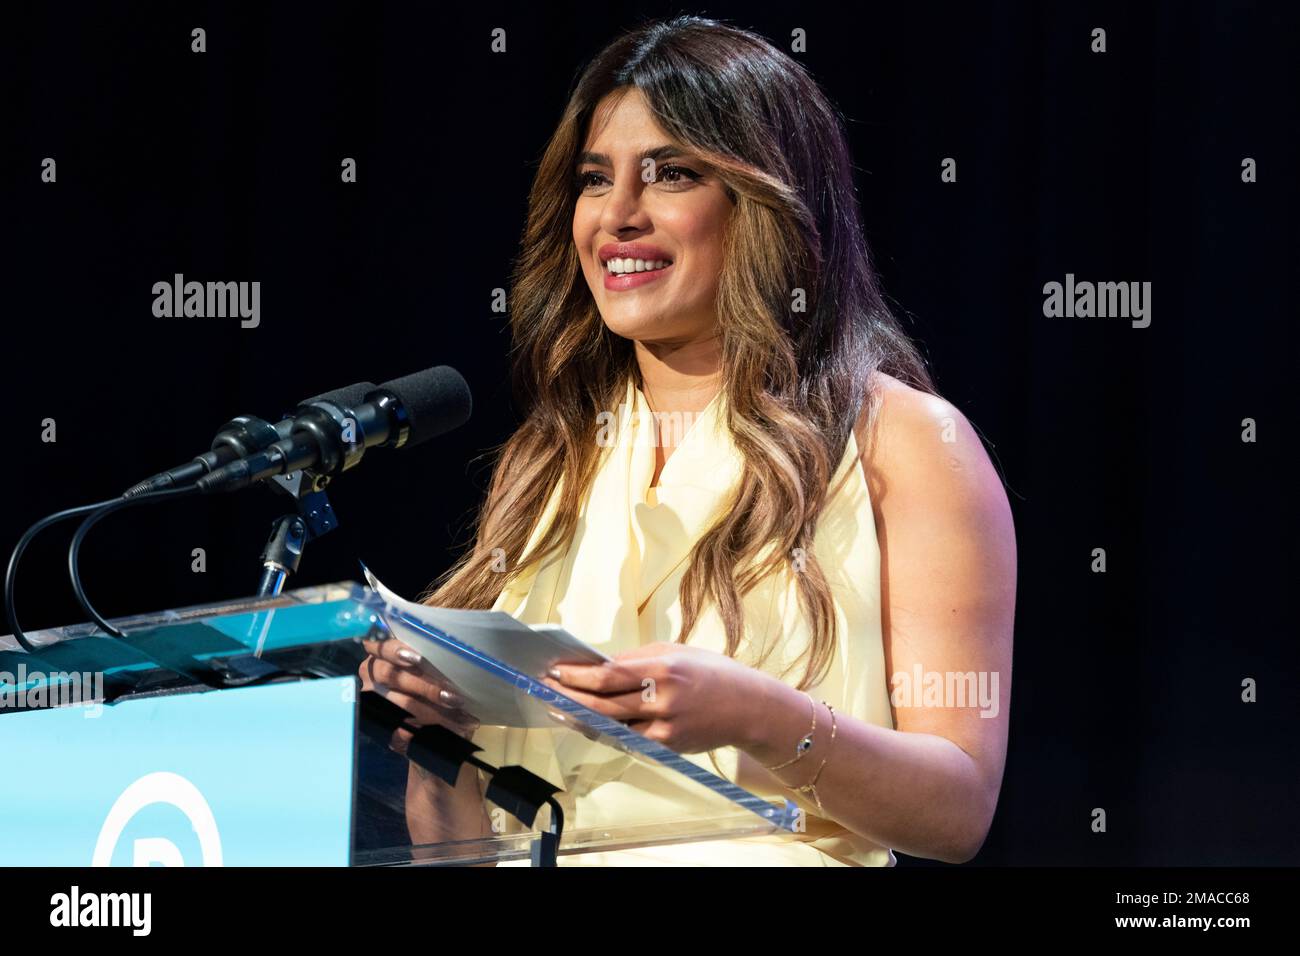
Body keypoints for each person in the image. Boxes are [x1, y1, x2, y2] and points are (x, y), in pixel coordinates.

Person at [360, 15, 1016, 866]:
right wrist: (434, 746)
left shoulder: (905, 443)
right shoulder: (554, 461)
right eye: (596, 181)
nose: (618, 215)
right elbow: (466, 850)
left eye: (670, 174)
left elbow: (957, 809)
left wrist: (762, 718)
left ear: (766, 200)